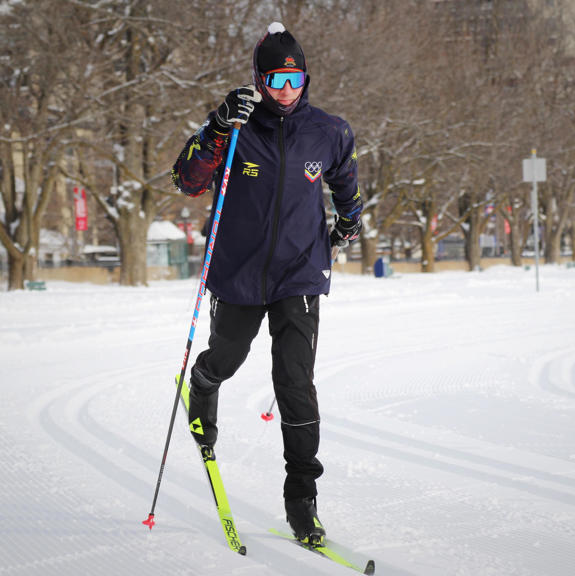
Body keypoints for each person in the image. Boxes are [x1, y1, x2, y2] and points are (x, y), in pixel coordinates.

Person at [171, 22, 362, 546]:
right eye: (276, 78)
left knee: (295, 384)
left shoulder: (328, 130)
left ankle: (302, 498)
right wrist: (214, 129)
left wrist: (349, 219)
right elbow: (185, 180)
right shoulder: (236, 125)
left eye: (295, 77)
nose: (286, 89)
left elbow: (345, 179)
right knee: (227, 357)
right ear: (260, 78)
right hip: (238, 269)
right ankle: (204, 383)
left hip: (299, 272)